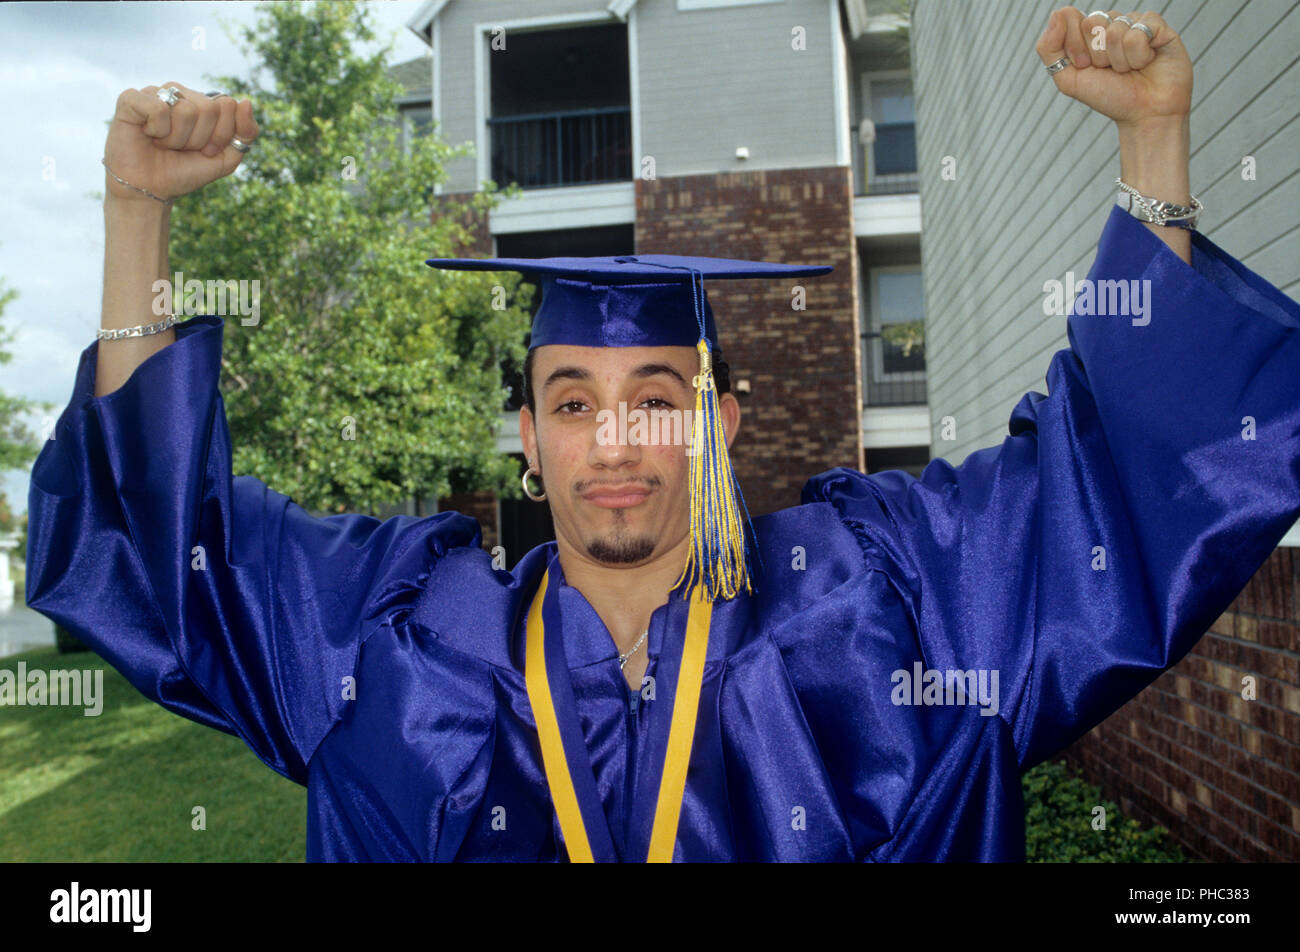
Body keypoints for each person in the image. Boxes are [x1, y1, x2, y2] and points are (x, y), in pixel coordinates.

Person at [25, 8, 1300, 861]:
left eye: (658, 394)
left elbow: (1122, 487)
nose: (615, 438)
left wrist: (1152, 144)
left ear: (722, 422)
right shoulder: (397, 637)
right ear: (526, 436)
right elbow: (156, 549)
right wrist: (138, 212)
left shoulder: (888, 607)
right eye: (572, 400)